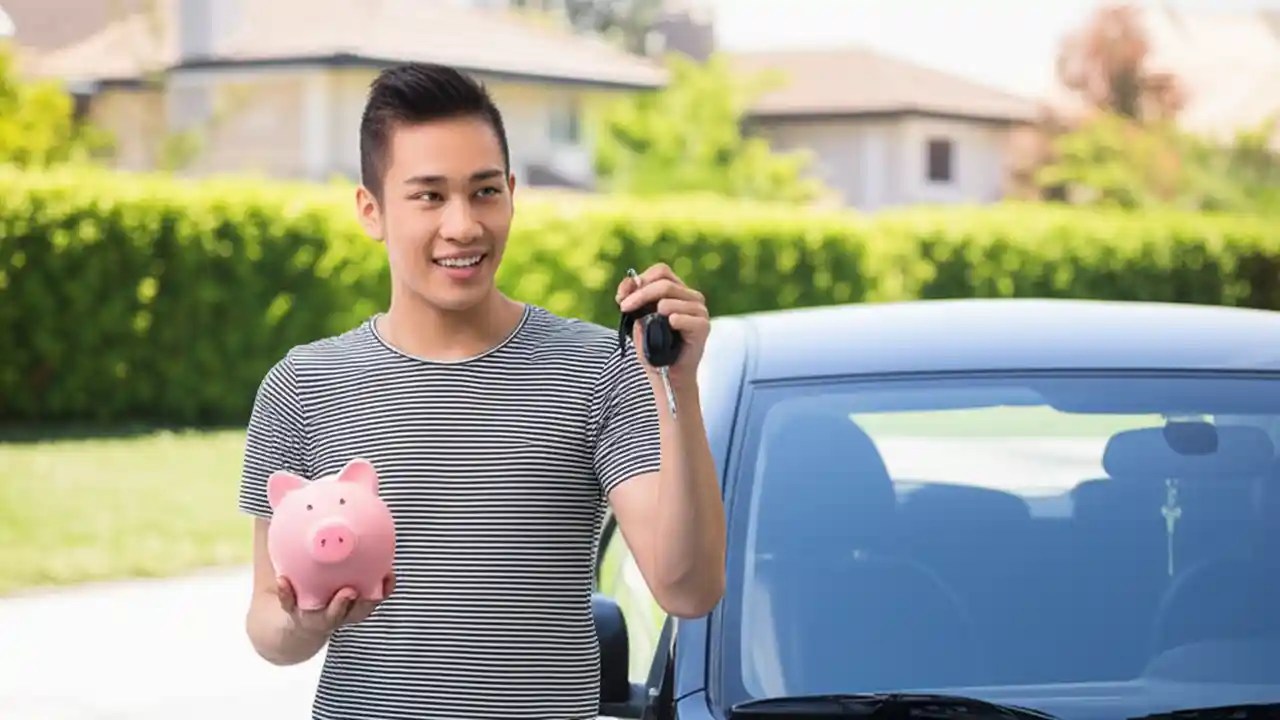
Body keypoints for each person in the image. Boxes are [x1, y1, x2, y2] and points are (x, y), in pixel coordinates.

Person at [237, 62, 727, 719]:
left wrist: (678, 389)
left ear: (513, 195)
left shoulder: (596, 369)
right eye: (430, 196)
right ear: (371, 210)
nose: (464, 225)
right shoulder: (304, 386)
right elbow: (268, 624)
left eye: (484, 191)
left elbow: (688, 588)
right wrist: (308, 622)